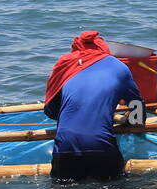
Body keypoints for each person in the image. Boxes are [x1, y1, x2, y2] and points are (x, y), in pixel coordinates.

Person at [43, 31, 142, 181]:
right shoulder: (118, 67)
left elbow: (51, 110)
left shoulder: (64, 65)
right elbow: (137, 107)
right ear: (103, 48)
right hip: (101, 145)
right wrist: (132, 122)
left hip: (65, 146)